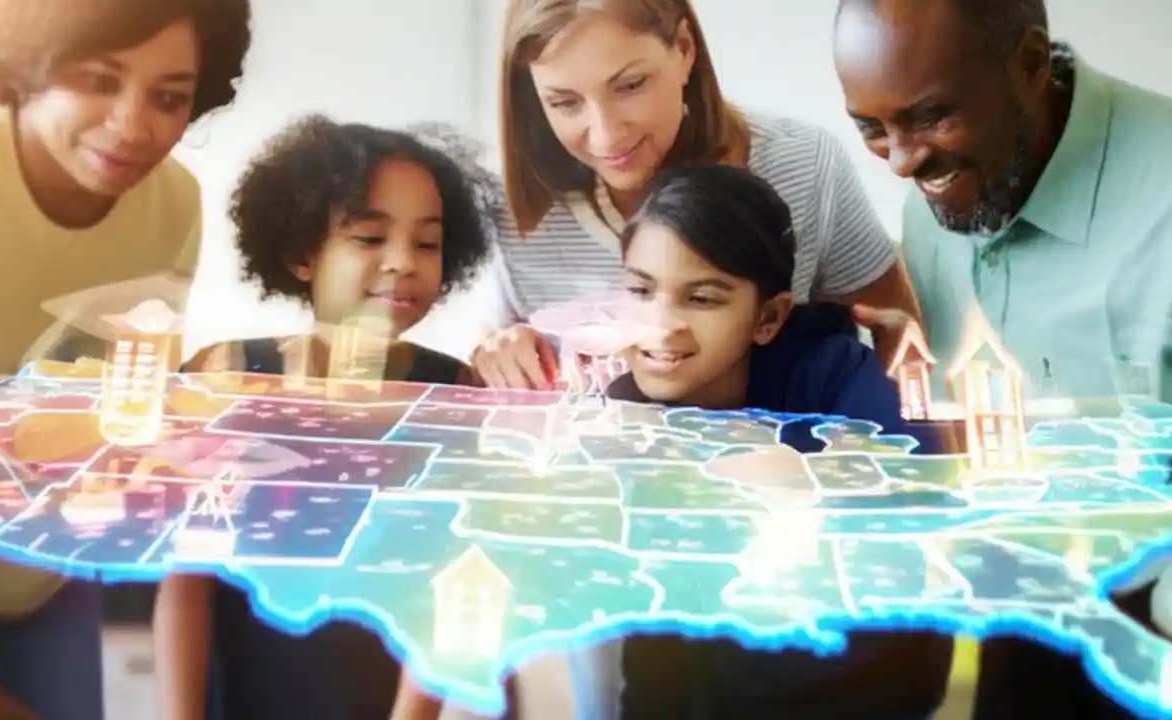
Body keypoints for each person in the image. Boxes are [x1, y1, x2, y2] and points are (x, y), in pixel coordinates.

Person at [0, 1, 251, 719]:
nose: (133, 123)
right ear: (26, 65)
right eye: (97, 79)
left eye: (169, 96)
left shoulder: (174, 202)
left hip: (42, 571)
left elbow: (121, 404)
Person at [832, 0, 1172, 716]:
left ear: (1028, 64)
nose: (900, 162)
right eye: (871, 129)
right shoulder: (941, 189)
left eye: (930, 117)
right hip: (1019, 613)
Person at [152, 115, 496, 720]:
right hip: (240, 689)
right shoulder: (225, 374)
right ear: (301, 251)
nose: (402, 262)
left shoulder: (456, 393)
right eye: (369, 238)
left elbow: (445, 585)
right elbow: (186, 582)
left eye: (426, 243)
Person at [602, 162, 953, 719]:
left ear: (768, 317)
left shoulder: (841, 380)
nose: (660, 324)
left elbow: (920, 491)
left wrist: (797, 481)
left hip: (848, 687)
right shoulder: (622, 409)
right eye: (641, 290)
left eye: (703, 299)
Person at [469, 0, 922, 392]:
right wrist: (496, 351)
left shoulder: (803, 164)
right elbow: (498, 350)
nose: (605, 137)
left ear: (684, 49)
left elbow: (896, 332)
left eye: (630, 85)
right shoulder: (508, 204)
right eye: (564, 102)